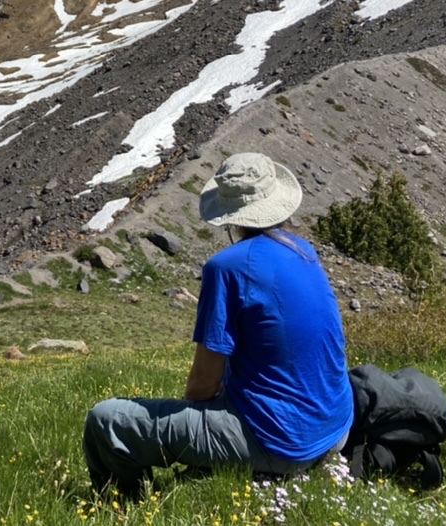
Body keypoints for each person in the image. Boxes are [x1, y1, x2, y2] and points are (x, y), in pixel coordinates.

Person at [83, 152, 352, 499]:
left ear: (230, 215)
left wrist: (193, 423)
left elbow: (202, 386)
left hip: (282, 442)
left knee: (106, 421)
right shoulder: (304, 250)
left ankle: (124, 507)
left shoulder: (226, 268)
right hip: (335, 428)